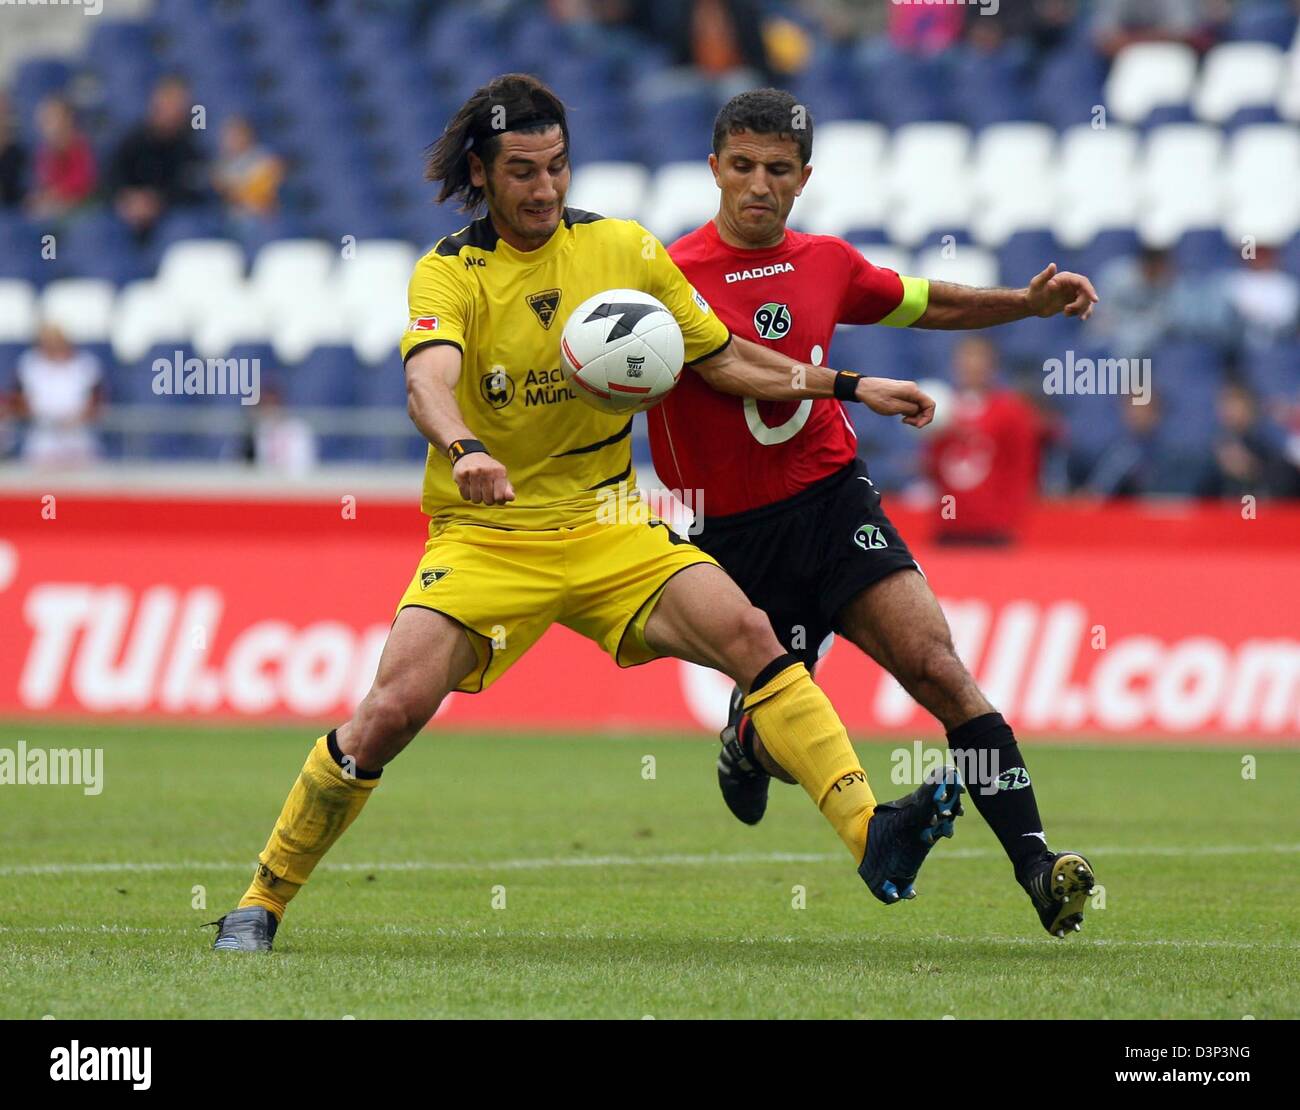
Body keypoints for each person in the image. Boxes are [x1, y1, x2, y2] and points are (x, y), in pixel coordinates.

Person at [208, 73, 963, 953]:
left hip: (610, 522)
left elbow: (724, 360)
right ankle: (260, 900)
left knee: (754, 637)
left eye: (558, 167)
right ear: (483, 176)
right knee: (387, 715)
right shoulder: (450, 273)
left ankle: (873, 836)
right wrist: (466, 450)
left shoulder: (626, 253)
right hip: (488, 533)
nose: (545, 189)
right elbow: (426, 382)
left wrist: (847, 384)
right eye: (523, 172)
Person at [648, 88, 1099, 937]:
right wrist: (854, 385)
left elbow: (927, 302)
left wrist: (1025, 305)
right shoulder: (669, 276)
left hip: (830, 500)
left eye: (777, 169)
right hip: (730, 534)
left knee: (936, 664)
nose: (757, 184)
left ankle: (1039, 866)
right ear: (713, 169)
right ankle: (746, 744)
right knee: (781, 725)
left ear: (803, 178)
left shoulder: (825, 261)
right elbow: (731, 367)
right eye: (741, 166)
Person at [924, 336, 1047, 545]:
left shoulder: (1011, 411)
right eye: (967, 358)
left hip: (995, 528)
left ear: (993, 365)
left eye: (979, 358)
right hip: (949, 524)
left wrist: (1012, 519)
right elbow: (933, 467)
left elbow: (1024, 467)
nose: (972, 365)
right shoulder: (942, 409)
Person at [107, 75, 206, 239]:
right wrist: (129, 200)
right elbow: (111, 179)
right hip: (128, 216)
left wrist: (157, 202)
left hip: (170, 219)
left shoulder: (191, 148)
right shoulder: (131, 141)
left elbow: (193, 188)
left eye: (178, 106)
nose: (172, 112)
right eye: (167, 104)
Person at [14, 323, 103, 466]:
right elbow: (18, 401)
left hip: (79, 437)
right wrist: (42, 417)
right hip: (42, 438)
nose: (53, 345)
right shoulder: (29, 364)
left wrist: (76, 419)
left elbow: (97, 401)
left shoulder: (85, 364)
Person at [27, 96, 97, 220]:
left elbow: (82, 182)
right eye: (44, 120)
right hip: (54, 204)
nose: (47, 125)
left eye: (52, 119)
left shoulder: (81, 146)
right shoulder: (44, 150)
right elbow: (43, 179)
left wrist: (59, 194)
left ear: (68, 119)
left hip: (79, 205)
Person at [211, 115, 284, 229]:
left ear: (248, 135)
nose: (232, 140)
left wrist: (235, 191)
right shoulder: (221, 164)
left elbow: (263, 197)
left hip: (259, 220)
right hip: (230, 221)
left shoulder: (265, 160)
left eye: (237, 135)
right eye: (229, 136)